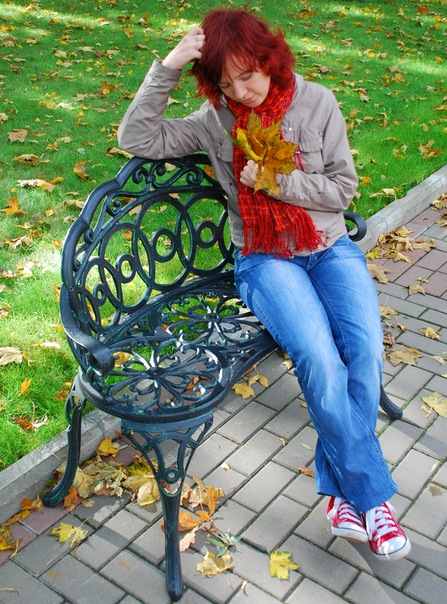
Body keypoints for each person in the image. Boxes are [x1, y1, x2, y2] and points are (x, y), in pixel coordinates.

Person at [117, 8, 411, 561]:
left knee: (365, 353)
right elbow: (135, 136)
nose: (241, 92)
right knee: (319, 359)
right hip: (265, 260)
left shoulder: (317, 102)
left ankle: (340, 495)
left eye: (247, 76)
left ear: (269, 60)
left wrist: (277, 181)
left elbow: (342, 190)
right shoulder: (214, 120)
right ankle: (373, 502)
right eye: (226, 83)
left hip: (328, 247)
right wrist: (170, 66)